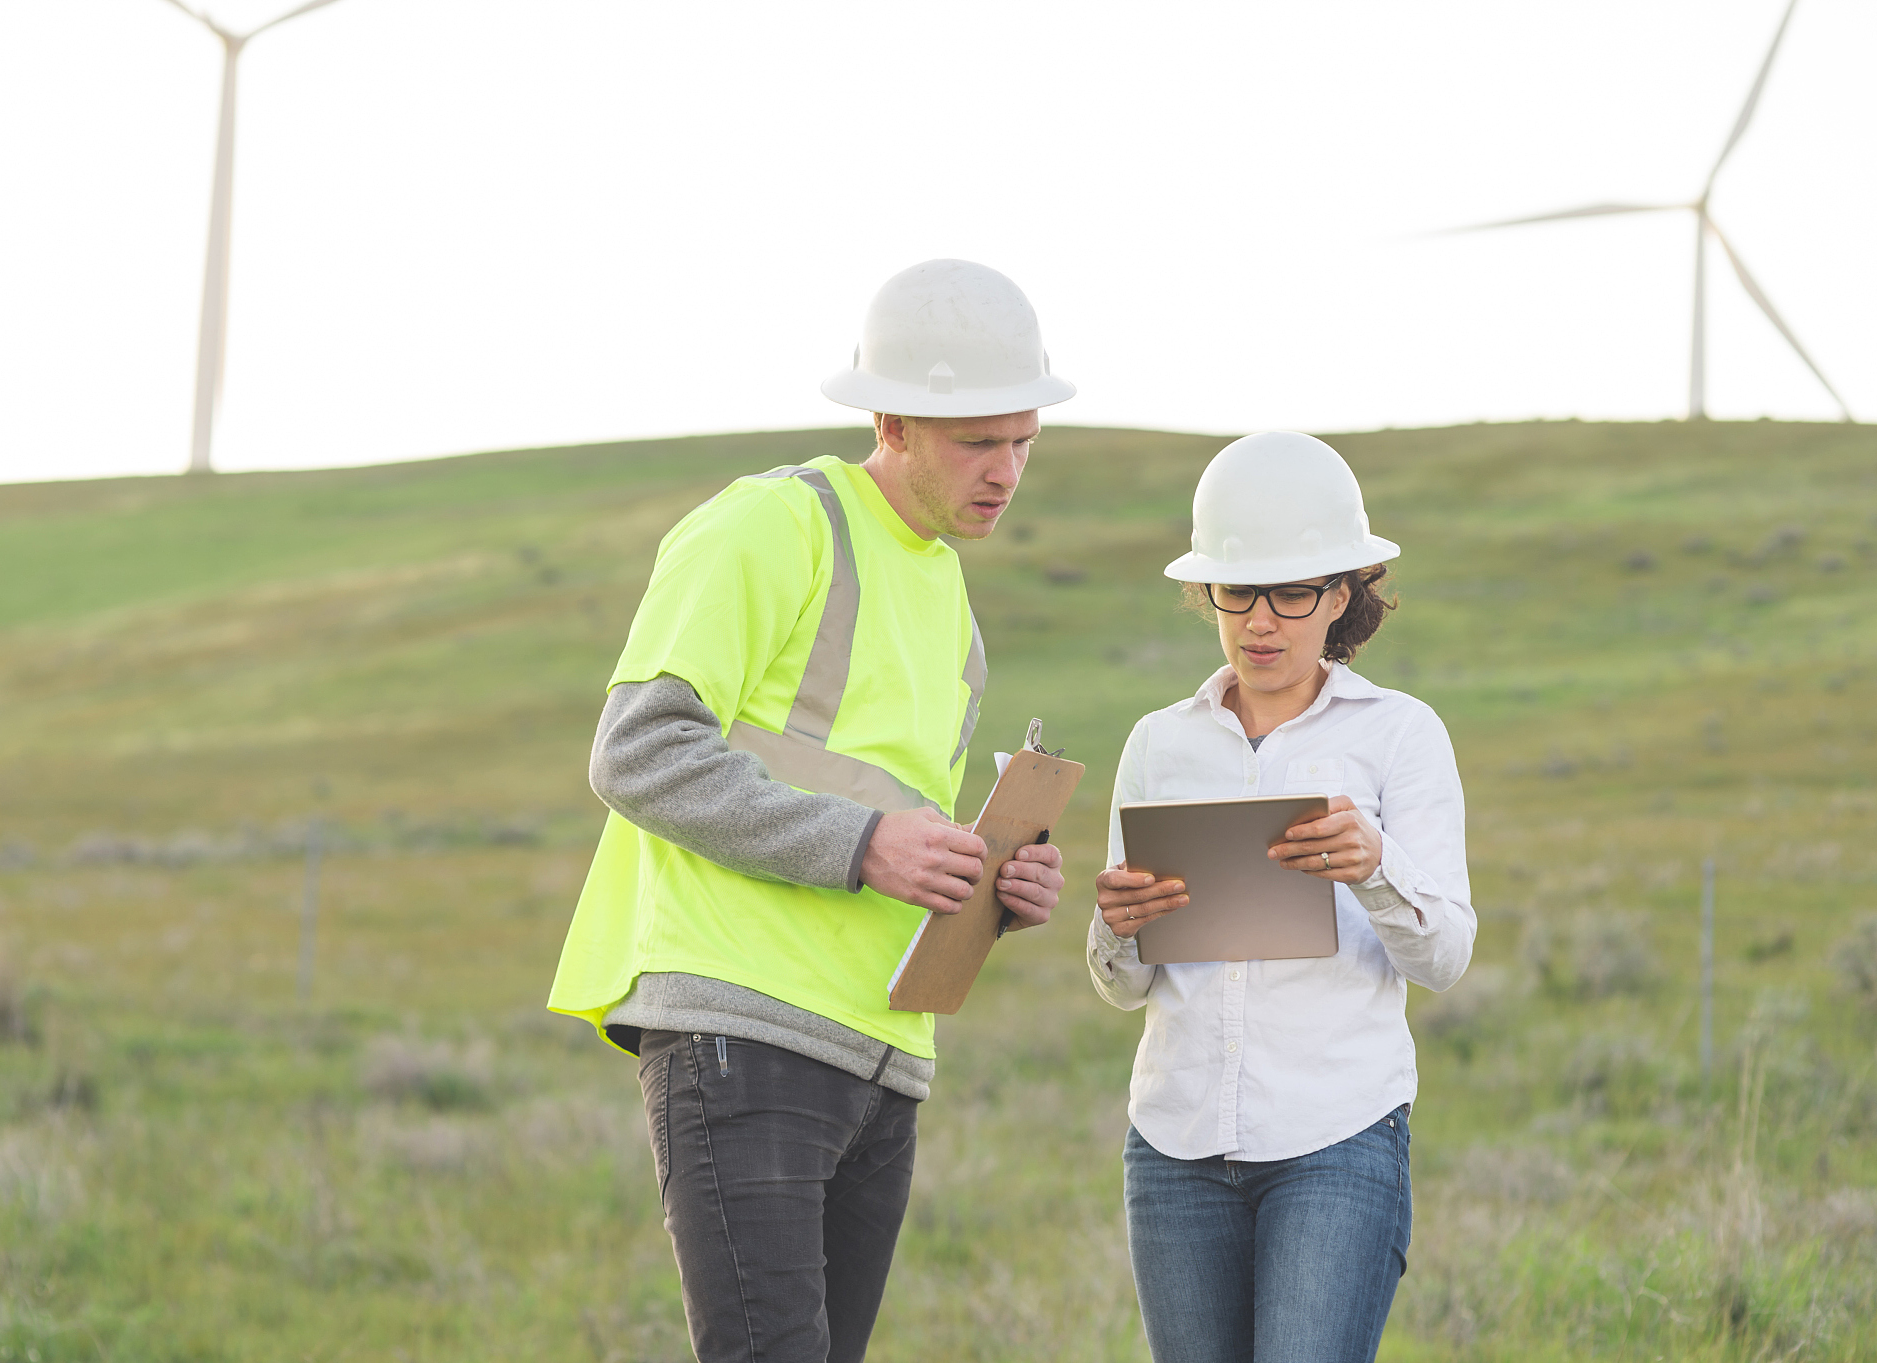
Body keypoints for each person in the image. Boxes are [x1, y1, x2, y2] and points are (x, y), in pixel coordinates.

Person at [549, 260, 1075, 1363]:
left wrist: (992, 886)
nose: (1008, 471)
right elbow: (635, 749)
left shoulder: (952, 608)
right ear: (890, 418)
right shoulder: (771, 525)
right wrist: (863, 845)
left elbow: (893, 822)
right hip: (743, 1029)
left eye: (1023, 440)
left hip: (885, 1053)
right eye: (980, 442)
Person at [1087, 431, 1475, 1363]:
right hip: (1173, 1143)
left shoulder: (1400, 736)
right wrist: (1119, 928)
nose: (1261, 620)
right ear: (1206, 592)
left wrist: (1372, 864)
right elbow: (1121, 986)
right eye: (1237, 590)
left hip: (1335, 1141)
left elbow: (1446, 956)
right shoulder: (1157, 745)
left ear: (1341, 593)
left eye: (1293, 592)